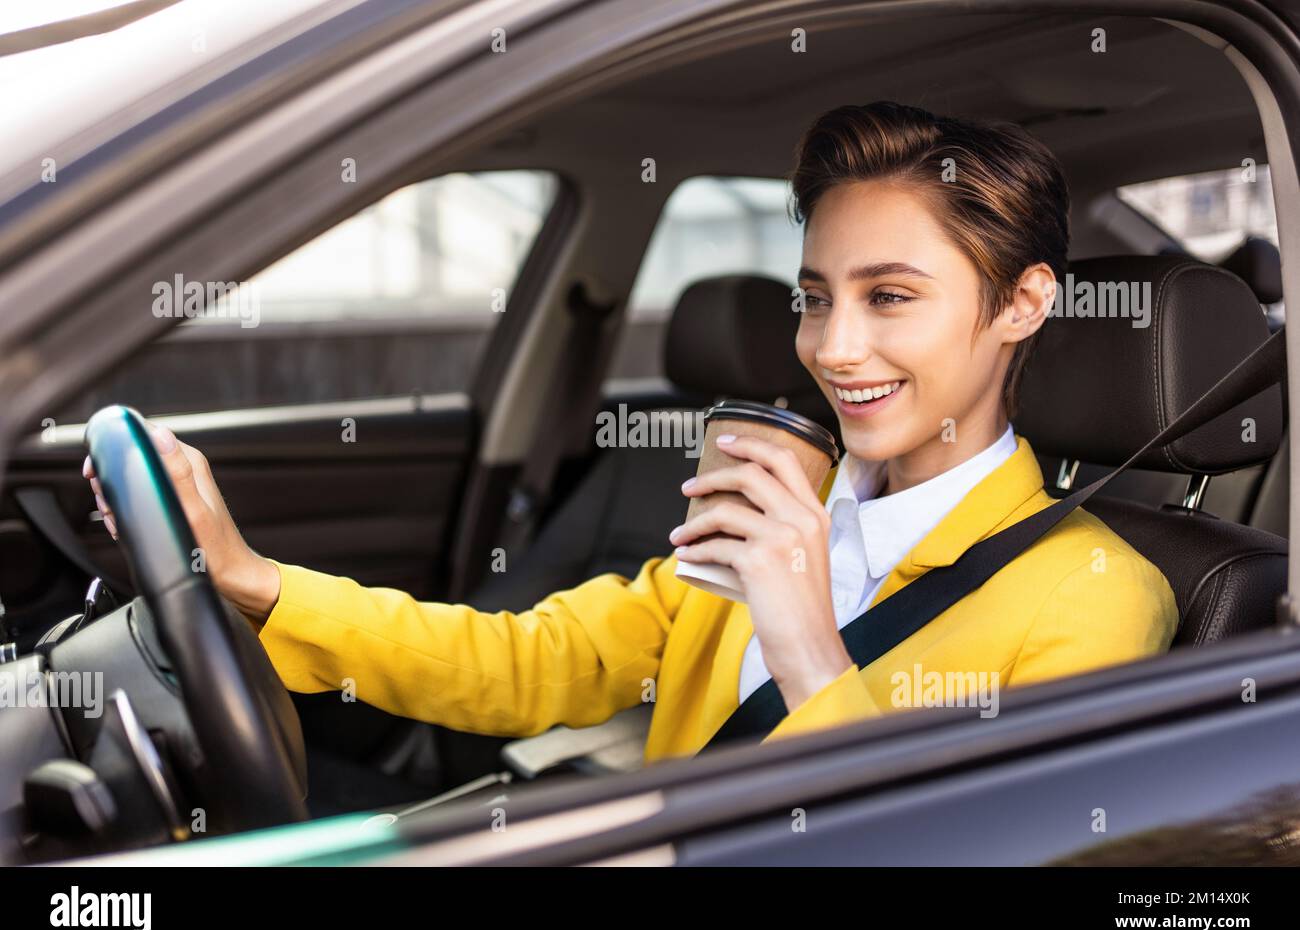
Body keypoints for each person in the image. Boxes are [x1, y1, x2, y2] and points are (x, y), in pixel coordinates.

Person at [84, 102, 1177, 763]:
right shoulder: (780, 500)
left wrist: (803, 635)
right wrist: (258, 580)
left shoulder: (1095, 597)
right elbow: (531, 662)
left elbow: (970, 841)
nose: (832, 348)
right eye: (812, 296)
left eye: (890, 297)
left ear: (1023, 304)